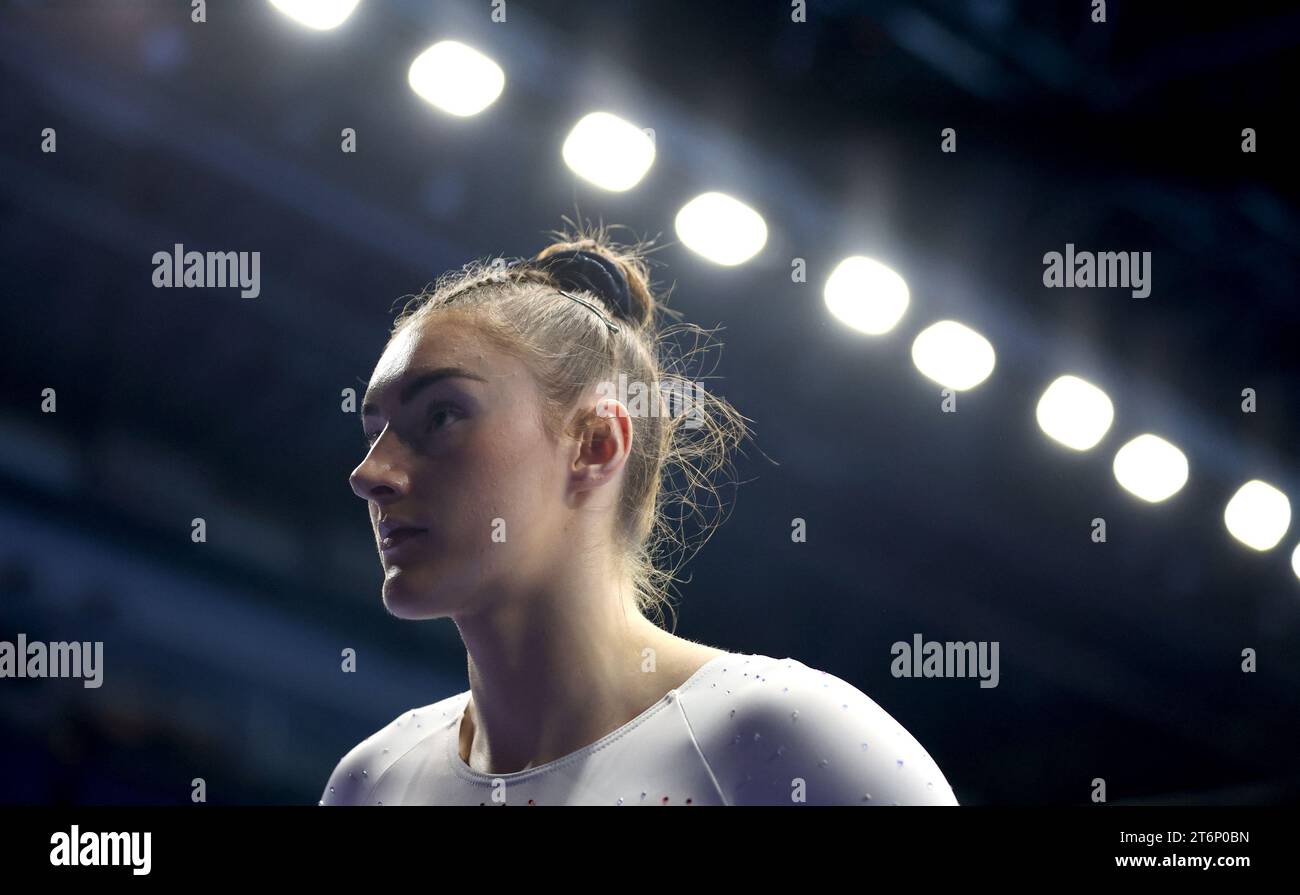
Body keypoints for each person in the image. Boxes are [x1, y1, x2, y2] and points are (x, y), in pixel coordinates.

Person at [321, 224, 957, 805]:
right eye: (374, 434)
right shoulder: (374, 781)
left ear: (596, 444)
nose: (369, 474)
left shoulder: (785, 737)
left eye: (440, 416)